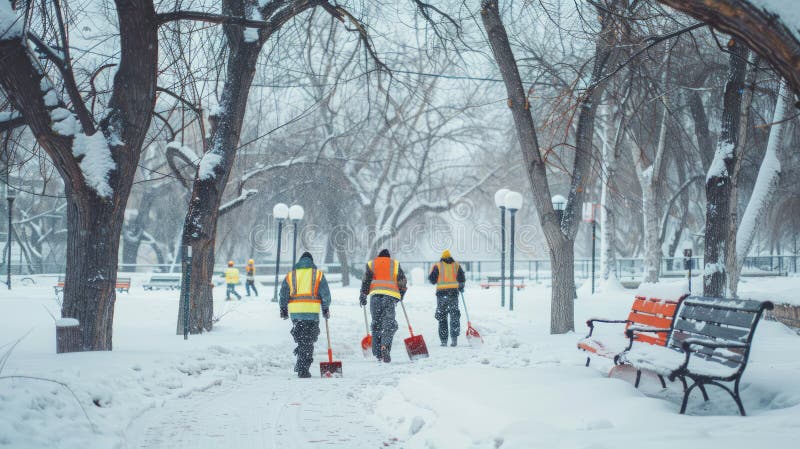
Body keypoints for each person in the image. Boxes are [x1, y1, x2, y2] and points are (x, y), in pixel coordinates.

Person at [279, 252, 331, 378]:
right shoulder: (317, 274)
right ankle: (303, 369)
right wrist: (325, 308)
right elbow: (325, 293)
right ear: (311, 261)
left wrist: (283, 308)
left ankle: (300, 364)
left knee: (303, 340)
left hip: (296, 314)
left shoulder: (291, 275)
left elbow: (283, 293)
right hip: (311, 313)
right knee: (308, 341)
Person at [359, 249, 407, 363]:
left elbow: (366, 281)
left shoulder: (372, 264)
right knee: (389, 325)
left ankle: (377, 354)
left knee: (376, 325)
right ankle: (384, 347)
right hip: (389, 298)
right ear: (388, 257)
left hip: (375, 298)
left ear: (379, 256)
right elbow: (402, 282)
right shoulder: (395, 264)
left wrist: (363, 294)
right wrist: (401, 294)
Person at [428, 250, 466, 347]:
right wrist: (461, 286)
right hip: (453, 294)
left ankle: (444, 341)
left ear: (442, 258)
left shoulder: (438, 266)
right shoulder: (456, 266)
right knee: (454, 317)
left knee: (442, 317)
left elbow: (432, 280)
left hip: (441, 295)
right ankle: (454, 340)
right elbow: (462, 278)